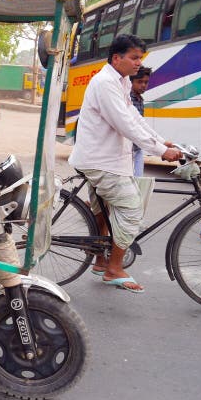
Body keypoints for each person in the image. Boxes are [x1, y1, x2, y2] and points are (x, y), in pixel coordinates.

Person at [69, 34, 182, 293]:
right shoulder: (105, 83)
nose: (137, 63)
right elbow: (124, 123)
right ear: (117, 58)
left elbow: (134, 117)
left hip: (105, 158)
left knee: (102, 211)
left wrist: (163, 143)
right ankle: (113, 269)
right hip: (102, 160)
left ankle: (100, 259)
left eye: (139, 58)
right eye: (134, 58)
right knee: (131, 211)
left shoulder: (119, 81)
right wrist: (159, 151)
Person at [129, 65, 152, 177]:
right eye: (140, 82)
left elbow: (141, 124)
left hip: (137, 148)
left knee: (139, 182)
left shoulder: (140, 99)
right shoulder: (127, 99)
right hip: (127, 151)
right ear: (131, 82)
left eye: (146, 82)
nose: (143, 85)